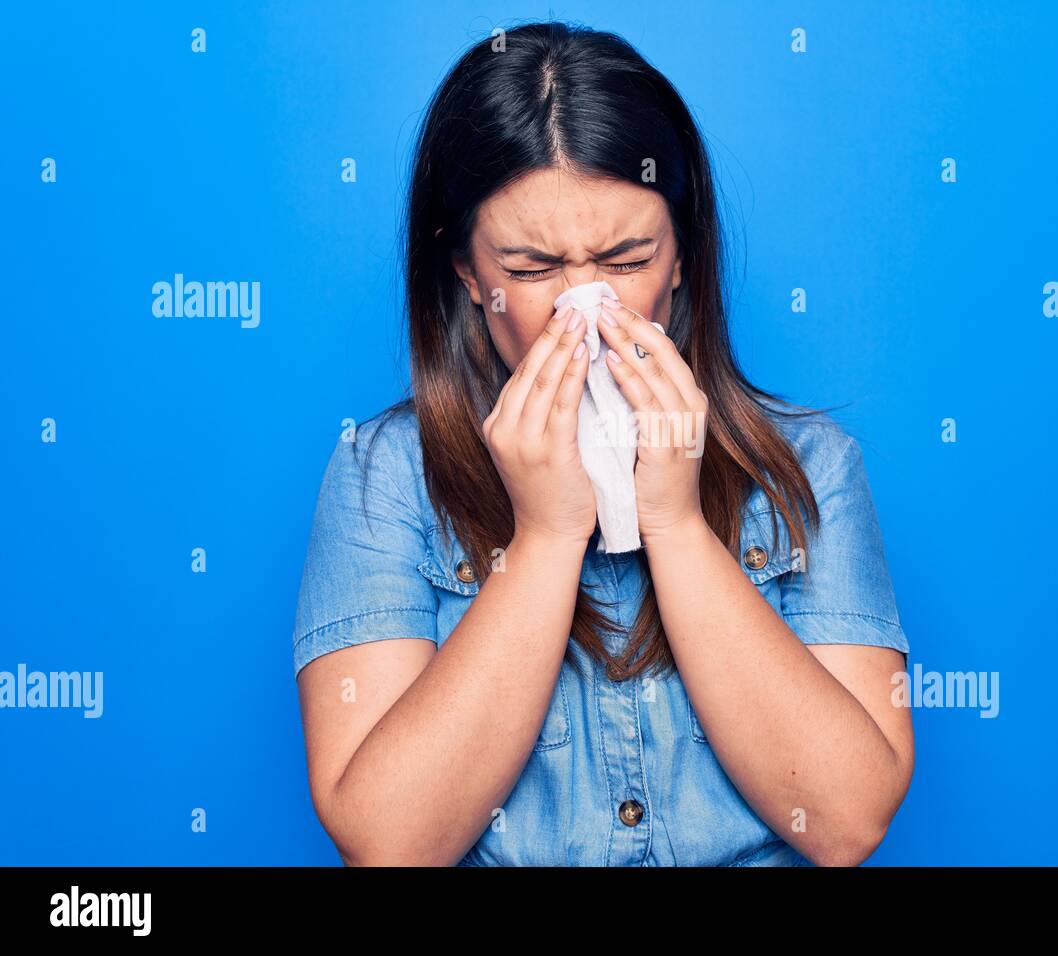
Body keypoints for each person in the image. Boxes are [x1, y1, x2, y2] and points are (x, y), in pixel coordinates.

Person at [292, 20, 913, 867]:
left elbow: (847, 821)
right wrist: (545, 536)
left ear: (684, 255)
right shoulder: (383, 481)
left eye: (625, 259)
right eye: (534, 269)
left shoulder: (811, 468)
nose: (585, 311)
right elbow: (391, 842)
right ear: (469, 274)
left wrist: (677, 524)